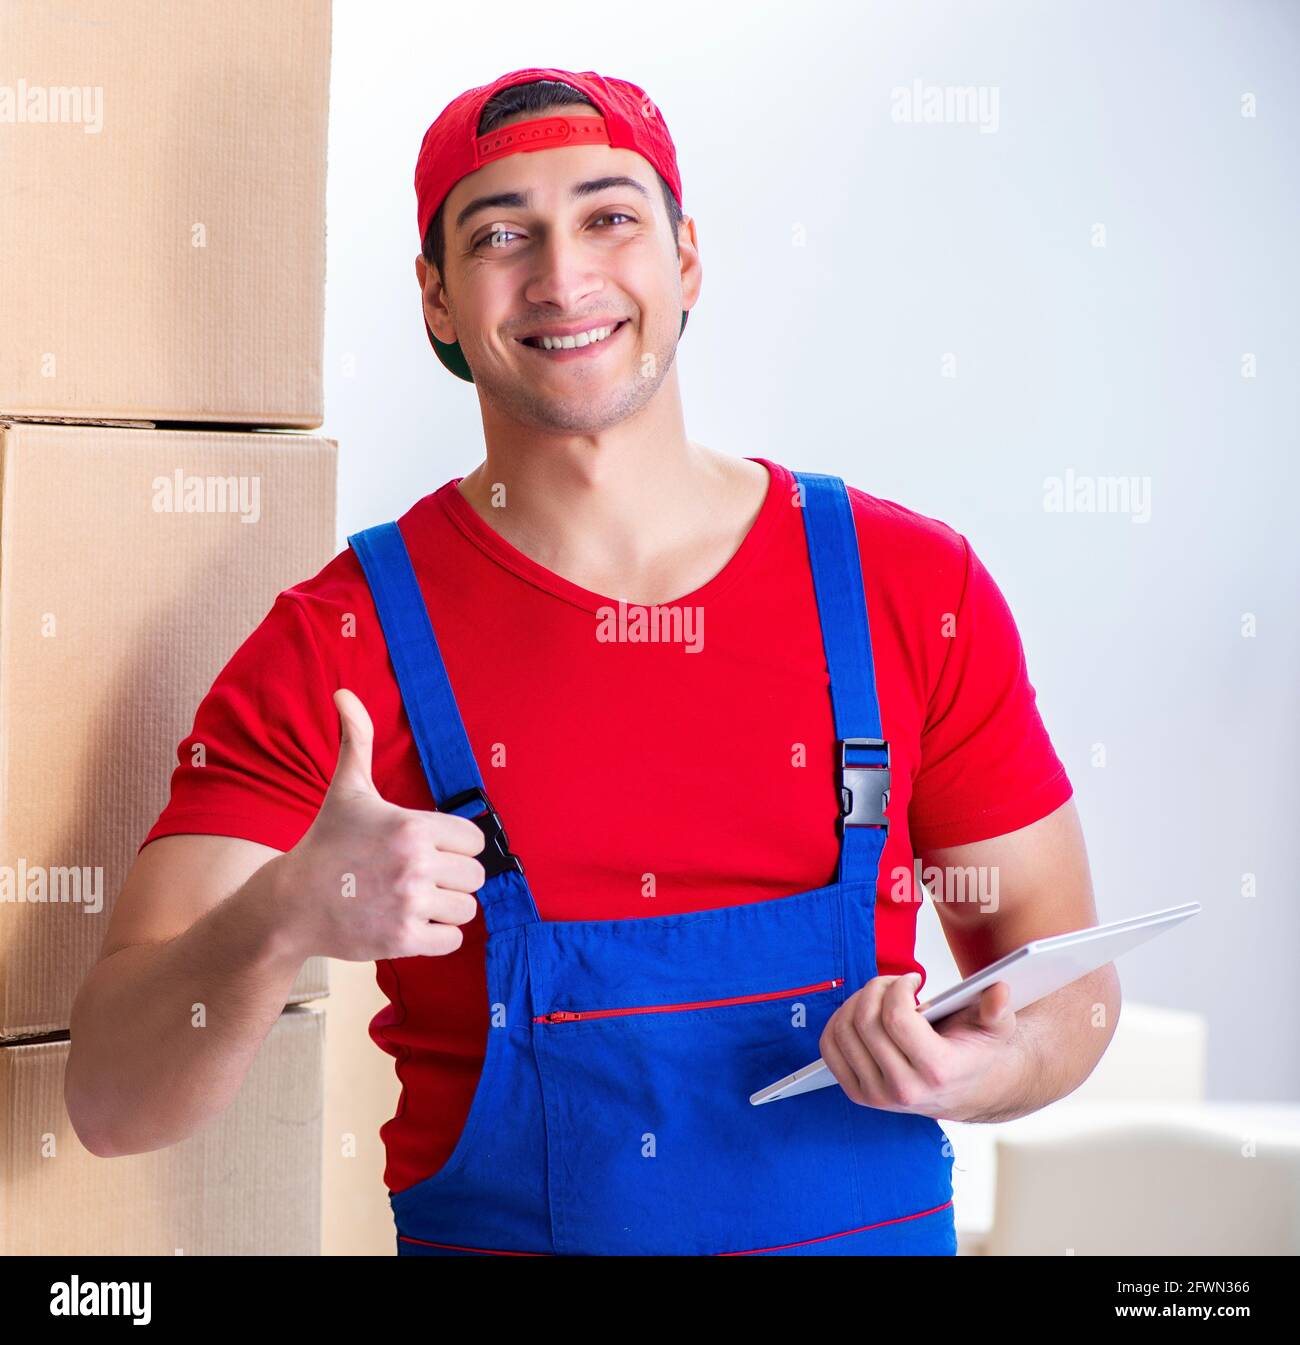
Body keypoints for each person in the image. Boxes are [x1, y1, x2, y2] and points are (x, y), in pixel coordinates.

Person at [66, 67, 1117, 1257]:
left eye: (609, 217)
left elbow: (1066, 982)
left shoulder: (908, 587)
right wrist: (279, 915)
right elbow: (107, 1100)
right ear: (438, 301)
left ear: (686, 259)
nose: (562, 276)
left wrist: (986, 1067)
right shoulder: (339, 642)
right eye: (502, 234)